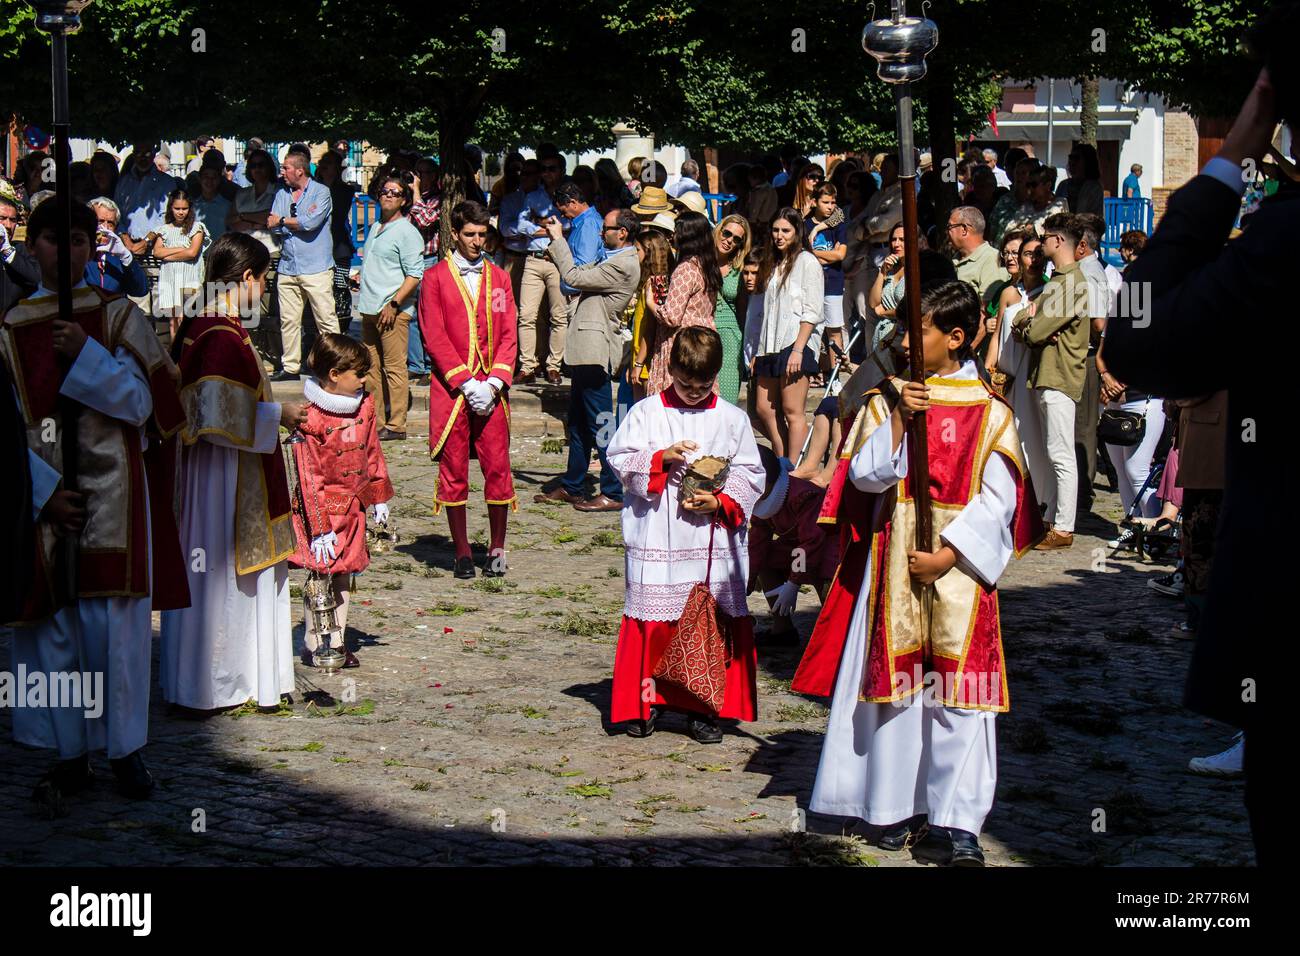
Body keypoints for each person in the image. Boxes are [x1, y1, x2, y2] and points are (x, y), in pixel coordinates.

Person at [794, 279, 1043, 866]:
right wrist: (902, 421)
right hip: (895, 569)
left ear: (955, 338)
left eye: (917, 329)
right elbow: (865, 478)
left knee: (960, 697)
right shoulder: (888, 401)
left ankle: (958, 821)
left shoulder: (991, 414)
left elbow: (999, 501)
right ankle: (890, 803)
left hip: (958, 574)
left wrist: (950, 555)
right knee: (897, 689)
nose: (904, 340)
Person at [3, 198, 187, 800]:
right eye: (56, 240)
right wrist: (42, 494)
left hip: (114, 499)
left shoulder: (118, 317)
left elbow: (144, 406)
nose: (69, 251)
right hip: (45, 505)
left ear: (93, 246)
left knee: (116, 636)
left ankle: (125, 748)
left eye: (80, 240)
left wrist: (84, 358)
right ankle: (67, 751)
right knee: (54, 636)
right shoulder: (8, 330)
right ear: (34, 249)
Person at [161, 232, 305, 714]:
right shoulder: (219, 334)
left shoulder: (210, 324)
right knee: (221, 576)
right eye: (263, 282)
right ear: (246, 278)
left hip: (227, 470)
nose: (263, 292)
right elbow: (212, 416)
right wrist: (279, 416)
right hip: (222, 476)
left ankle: (231, 679)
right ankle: (218, 683)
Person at [605, 327, 765, 743]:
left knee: (707, 623)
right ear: (670, 369)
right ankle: (646, 703)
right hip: (658, 532)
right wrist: (660, 458)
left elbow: (752, 473)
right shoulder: (646, 412)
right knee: (655, 619)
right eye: (684, 384)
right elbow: (619, 458)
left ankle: (703, 709)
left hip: (708, 540)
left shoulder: (732, 419)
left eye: (703, 386)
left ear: (717, 377)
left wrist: (722, 502)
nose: (693, 393)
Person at [417, 200, 517, 579]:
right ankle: (461, 551)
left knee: (497, 466)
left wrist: (494, 381)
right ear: (455, 234)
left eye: (482, 234)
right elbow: (434, 335)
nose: (478, 241)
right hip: (453, 390)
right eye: (470, 234)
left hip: (492, 390)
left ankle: (497, 548)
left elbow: (508, 332)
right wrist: (464, 381)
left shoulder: (499, 278)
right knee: (454, 468)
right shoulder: (435, 278)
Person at [288, 334, 393, 669]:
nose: (364, 380)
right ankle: (313, 641)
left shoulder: (365, 405)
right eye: (357, 374)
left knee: (345, 574)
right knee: (320, 575)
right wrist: (318, 529)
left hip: (354, 509)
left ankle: (337, 640)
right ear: (334, 374)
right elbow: (308, 476)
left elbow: (372, 449)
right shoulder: (310, 418)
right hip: (322, 511)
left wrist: (378, 496)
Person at [533, 208, 641, 512]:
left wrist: (558, 241)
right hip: (584, 348)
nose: (599, 232)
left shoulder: (623, 264)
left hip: (596, 350)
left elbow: (573, 276)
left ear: (622, 232)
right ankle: (573, 484)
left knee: (602, 423)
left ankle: (612, 490)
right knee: (579, 423)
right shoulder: (612, 258)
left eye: (605, 228)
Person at [1011, 213, 1090, 549]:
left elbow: (1034, 329)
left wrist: (1035, 326)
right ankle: (1053, 520)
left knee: (1060, 453)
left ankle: (1063, 526)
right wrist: (1032, 325)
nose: (1041, 245)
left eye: (1045, 239)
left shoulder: (1070, 283)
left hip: (1059, 376)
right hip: (1048, 374)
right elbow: (1020, 319)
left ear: (1058, 241)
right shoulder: (1059, 281)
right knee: (1052, 451)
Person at [354, 172, 425, 441]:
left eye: (395, 192)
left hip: (392, 310)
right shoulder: (375, 227)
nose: (389, 195)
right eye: (385, 191)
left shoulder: (407, 232)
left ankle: (396, 425)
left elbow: (414, 274)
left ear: (405, 200)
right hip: (370, 308)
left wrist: (394, 304)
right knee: (371, 368)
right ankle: (377, 420)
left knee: (394, 369)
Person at [752, 208, 823, 459]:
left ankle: (794, 470)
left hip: (794, 341)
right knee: (763, 408)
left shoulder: (807, 261)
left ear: (796, 233)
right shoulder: (774, 263)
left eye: (785, 231)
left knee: (793, 410)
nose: (779, 236)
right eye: (775, 230)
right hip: (768, 344)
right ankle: (784, 462)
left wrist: (798, 349)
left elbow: (812, 311)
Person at [748, 446, 837, 644]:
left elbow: (812, 540)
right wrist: (748, 581)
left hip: (826, 548)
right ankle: (782, 629)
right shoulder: (763, 500)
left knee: (827, 578)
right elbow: (758, 540)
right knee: (766, 558)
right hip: (797, 549)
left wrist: (794, 582)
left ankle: (834, 638)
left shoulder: (804, 495)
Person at [269, 152, 336, 380]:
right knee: (288, 320)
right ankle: (290, 367)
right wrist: (287, 223)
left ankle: (334, 363)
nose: (282, 172)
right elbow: (273, 226)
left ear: (300, 170)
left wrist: (282, 221)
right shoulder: (281, 194)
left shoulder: (321, 192)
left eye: (285, 167)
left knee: (325, 319)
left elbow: (311, 223)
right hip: (288, 266)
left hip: (316, 266)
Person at [643, 210, 720, 396]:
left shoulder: (686, 269)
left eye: (677, 231)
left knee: (675, 399)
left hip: (682, 342)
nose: (673, 236)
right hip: (702, 340)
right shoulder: (706, 265)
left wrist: (650, 301)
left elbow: (672, 317)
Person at [625, 228, 674, 406]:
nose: (633, 254)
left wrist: (638, 364)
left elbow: (651, 328)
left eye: (637, 250)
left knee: (645, 415)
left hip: (646, 362)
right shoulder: (653, 281)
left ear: (649, 252)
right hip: (640, 359)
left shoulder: (655, 283)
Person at [315, 148, 361, 335]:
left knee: (340, 287)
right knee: (320, 289)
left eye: (329, 165)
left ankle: (341, 327)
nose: (325, 168)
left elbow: (337, 213)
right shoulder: (312, 187)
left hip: (338, 246)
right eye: (323, 165)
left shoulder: (345, 190)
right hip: (317, 246)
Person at [152, 188, 210, 334]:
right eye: (177, 208)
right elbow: (157, 252)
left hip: (189, 277)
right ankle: (174, 354)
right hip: (170, 277)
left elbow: (192, 252)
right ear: (171, 208)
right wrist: (180, 248)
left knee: (185, 318)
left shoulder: (196, 227)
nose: (180, 212)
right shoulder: (164, 229)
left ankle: (185, 352)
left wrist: (168, 256)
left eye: (184, 208)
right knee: (173, 320)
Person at [806, 184, 849, 381]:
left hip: (833, 283)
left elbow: (840, 254)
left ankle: (834, 377)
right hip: (812, 284)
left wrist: (815, 254)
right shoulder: (805, 224)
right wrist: (826, 256)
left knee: (834, 329)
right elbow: (803, 256)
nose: (830, 206)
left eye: (833, 202)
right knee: (812, 329)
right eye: (825, 202)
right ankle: (811, 371)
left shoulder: (838, 225)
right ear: (814, 202)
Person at [114, 142, 180, 257]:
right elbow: (116, 213)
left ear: (154, 154)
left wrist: (146, 241)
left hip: (156, 247)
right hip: (127, 248)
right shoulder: (123, 182)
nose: (143, 157)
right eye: (139, 153)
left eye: (147, 153)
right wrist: (126, 240)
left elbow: (166, 216)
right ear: (134, 155)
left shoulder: (166, 182)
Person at [712, 214, 751, 404]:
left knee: (726, 401)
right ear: (719, 229)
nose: (729, 241)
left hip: (730, 338)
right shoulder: (702, 259)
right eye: (727, 233)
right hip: (702, 334)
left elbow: (745, 310)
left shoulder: (740, 268)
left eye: (737, 239)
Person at [948, 206, 1009, 315]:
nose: (947, 232)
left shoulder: (992, 259)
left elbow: (986, 311)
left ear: (964, 229)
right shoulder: (954, 259)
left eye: (950, 226)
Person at [86, 197, 149, 298]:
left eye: (110, 223)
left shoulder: (118, 255)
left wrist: (126, 256)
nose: (105, 228)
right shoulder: (77, 253)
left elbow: (140, 290)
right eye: (100, 221)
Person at [554, 180, 603, 298]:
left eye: (563, 211)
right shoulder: (582, 223)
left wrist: (560, 257)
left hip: (582, 294)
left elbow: (586, 265)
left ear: (573, 203)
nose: (562, 216)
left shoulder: (588, 224)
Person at [226, 148, 278, 253]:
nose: (257, 168)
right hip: (243, 250)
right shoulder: (241, 193)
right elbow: (229, 221)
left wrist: (243, 217)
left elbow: (272, 218)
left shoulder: (278, 192)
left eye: (261, 165)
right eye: (253, 165)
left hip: (271, 250)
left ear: (269, 167)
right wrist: (256, 224)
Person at [1, 191, 42, 312]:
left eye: (13, 220)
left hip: (14, 321)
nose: (8, 225)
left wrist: (8, 252)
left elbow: (38, 279)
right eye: (2, 218)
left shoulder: (25, 249)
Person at [1056, 144, 1105, 217]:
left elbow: (1095, 218)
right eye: (1070, 157)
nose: (1072, 162)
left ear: (1088, 162)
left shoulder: (1094, 188)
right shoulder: (1063, 185)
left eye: (1076, 158)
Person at [193, 165, 231, 241]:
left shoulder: (227, 206)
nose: (210, 180)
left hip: (219, 251)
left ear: (219, 180)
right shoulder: (193, 206)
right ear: (200, 179)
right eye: (206, 176)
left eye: (214, 177)